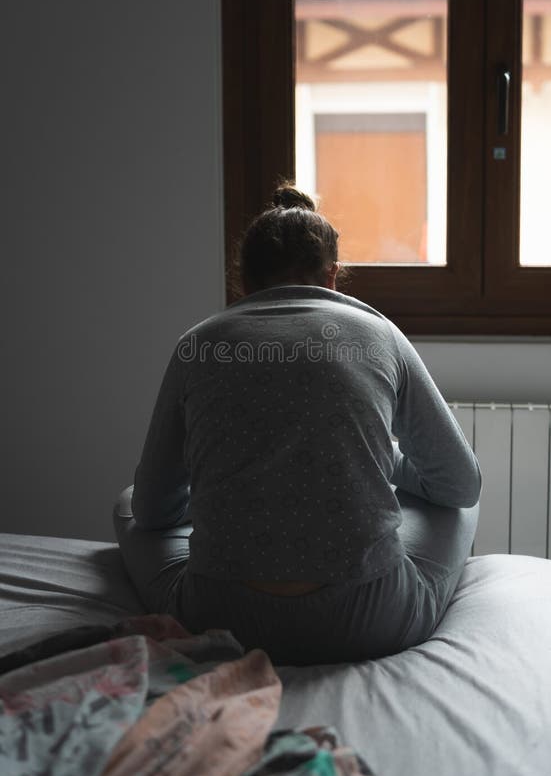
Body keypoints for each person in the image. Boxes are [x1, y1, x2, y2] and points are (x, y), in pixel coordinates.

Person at [114, 184, 481, 666]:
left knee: (128, 503)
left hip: (224, 616)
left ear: (242, 282)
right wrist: (385, 465)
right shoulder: (379, 335)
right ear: (332, 278)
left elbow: (154, 509)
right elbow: (460, 484)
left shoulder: (197, 345)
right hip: (369, 620)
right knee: (459, 503)